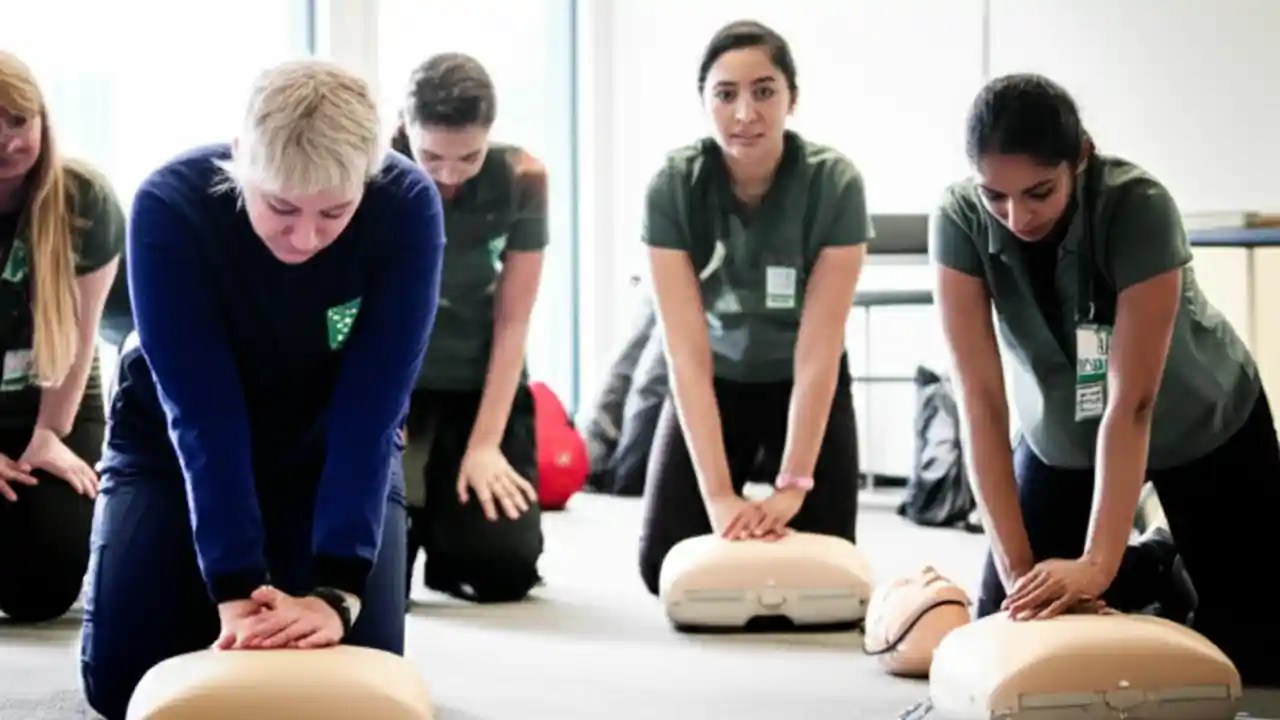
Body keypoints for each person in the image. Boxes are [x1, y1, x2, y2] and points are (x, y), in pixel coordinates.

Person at [78, 59, 445, 719]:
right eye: (281, 206)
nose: (305, 237)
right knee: (124, 683)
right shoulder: (168, 206)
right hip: (171, 445)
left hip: (327, 438)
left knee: (354, 671)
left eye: (334, 211)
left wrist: (337, 588)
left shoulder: (408, 205)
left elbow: (372, 406)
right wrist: (236, 583)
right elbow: (203, 413)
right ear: (242, 156)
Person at [930, 72, 1280, 685]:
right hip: (1064, 438)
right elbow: (980, 402)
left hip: (1199, 421)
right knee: (1012, 647)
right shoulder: (957, 218)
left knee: (1256, 658)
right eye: (995, 196)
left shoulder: (1139, 205)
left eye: (1039, 191)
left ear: (1081, 157)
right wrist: (1018, 578)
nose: (1016, 215)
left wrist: (1095, 563)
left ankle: (1154, 561)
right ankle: (1148, 565)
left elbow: (1133, 403)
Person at [636, 20, 872, 596]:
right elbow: (685, 354)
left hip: (802, 380)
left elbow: (819, 349)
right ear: (704, 101)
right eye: (725, 94)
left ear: (793, 97)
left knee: (829, 566)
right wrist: (719, 494)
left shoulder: (835, 183)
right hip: (715, 377)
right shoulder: (672, 186)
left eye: (764, 91)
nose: (745, 114)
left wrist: (794, 482)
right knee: (661, 564)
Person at [391, 52, 546, 603]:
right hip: (395, 381)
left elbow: (514, 320)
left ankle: (443, 528)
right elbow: (345, 309)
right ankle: (418, 517)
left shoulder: (523, 177)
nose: (449, 174)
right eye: (431, 155)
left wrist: (485, 445)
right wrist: (373, 408)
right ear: (406, 127)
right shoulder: (371, 174)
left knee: (502, 570)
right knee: (376, 575)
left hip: (478, 380)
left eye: (469, 157)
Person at [0, 51, 122, 624]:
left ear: (42, 120)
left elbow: (81, 333)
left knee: (41, 591)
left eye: (18, 121)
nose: (7, 141)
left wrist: (49, 434)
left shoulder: (84, 198)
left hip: (53, 400)